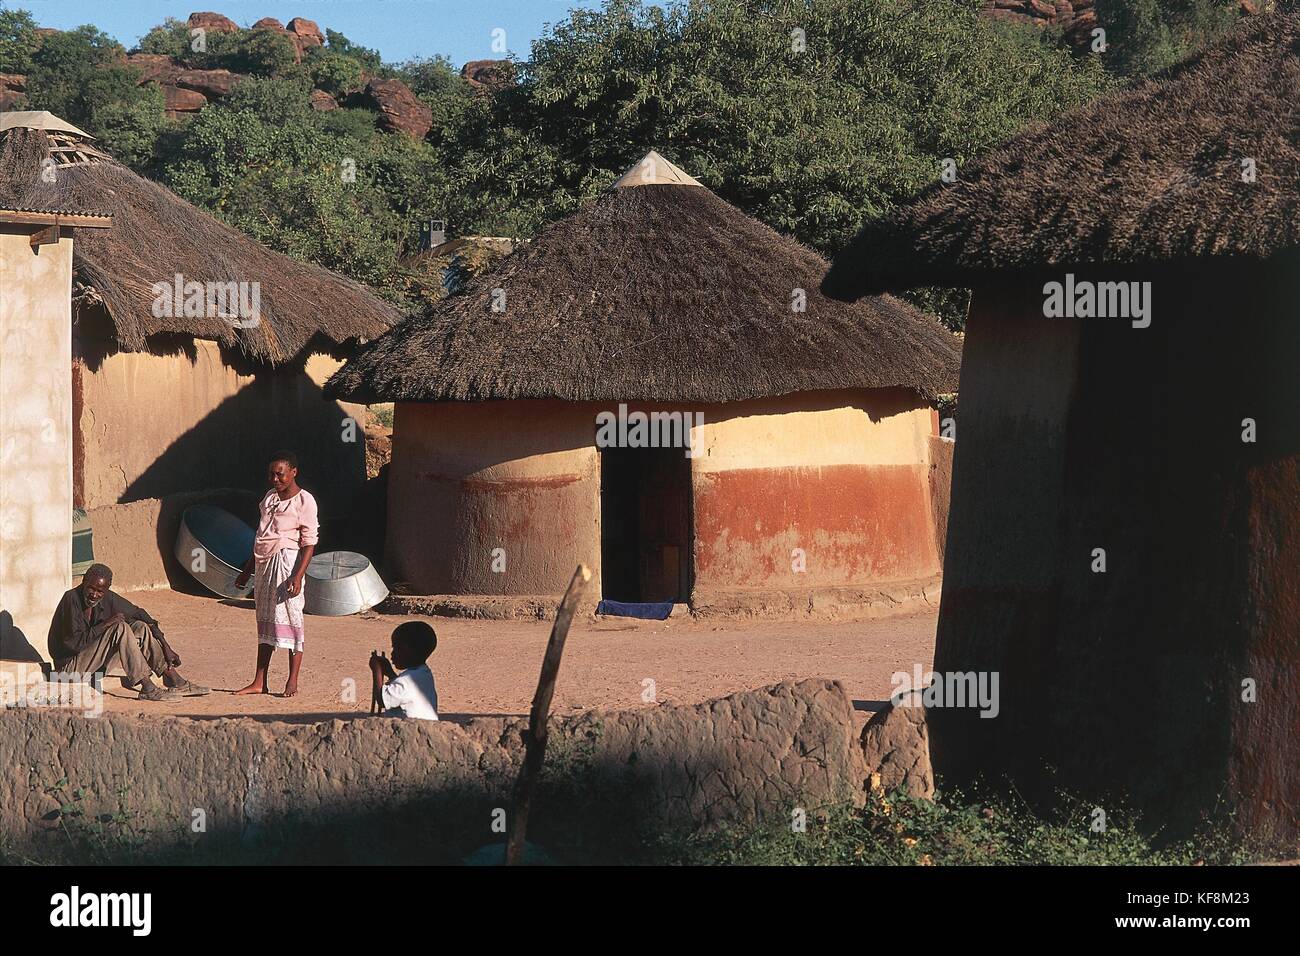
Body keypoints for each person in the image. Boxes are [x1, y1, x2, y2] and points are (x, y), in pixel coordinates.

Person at [47, 563, 210, 701]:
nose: (94, 594)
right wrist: (107, 624)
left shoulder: (106, 597)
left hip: (92, 667)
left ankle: (175, 680)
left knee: (139, 626)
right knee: (119, 627)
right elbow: (74, 644)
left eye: (100, 591)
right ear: (83, 582)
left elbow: (139, 613)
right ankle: (147, 687)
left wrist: (165, 645)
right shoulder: (71, 600)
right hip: (69, 670)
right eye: (90, 588)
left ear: (106, 590)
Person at [234, 451, 318, 698]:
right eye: (271, 474)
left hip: (287, 564)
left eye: (280, 474)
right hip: (264, 565)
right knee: (265, 621)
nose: (275, 479)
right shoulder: (270, 498)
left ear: (294, 472)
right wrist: (247, 571)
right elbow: (261, 537)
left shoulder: (305, 501)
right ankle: (260, 681)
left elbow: (309, 544)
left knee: (292, 618)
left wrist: (298, 576)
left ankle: (292, 680)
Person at [370, 621, 439, 720]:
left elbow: (382, 700)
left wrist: (376, 670)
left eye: (397, 648)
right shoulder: (423, 673)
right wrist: (389, 672)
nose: (392, 653)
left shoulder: (406, 681)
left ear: (410, 651)